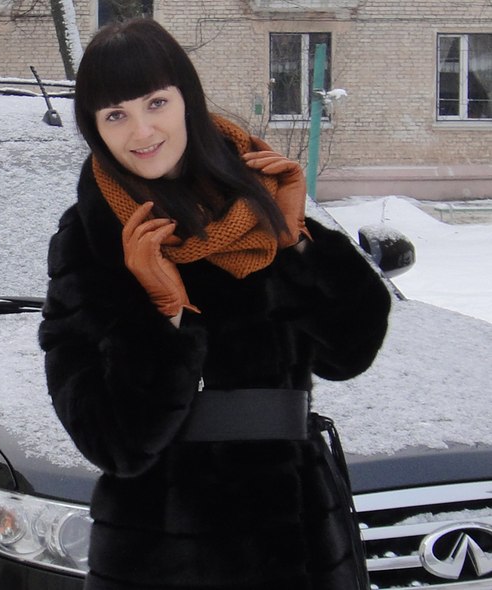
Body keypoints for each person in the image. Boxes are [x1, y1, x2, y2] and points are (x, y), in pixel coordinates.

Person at [39, 17, 391, 590]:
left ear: (187, 99)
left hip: (299, 532)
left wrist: (298, 244)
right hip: (166, 548)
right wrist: (163, 315)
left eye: (156, 102)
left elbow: (350, 352)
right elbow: (114, 444)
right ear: (95, 129)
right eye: (115, 115)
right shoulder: (93, 242)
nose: (141, 130)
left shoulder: (260, 201)